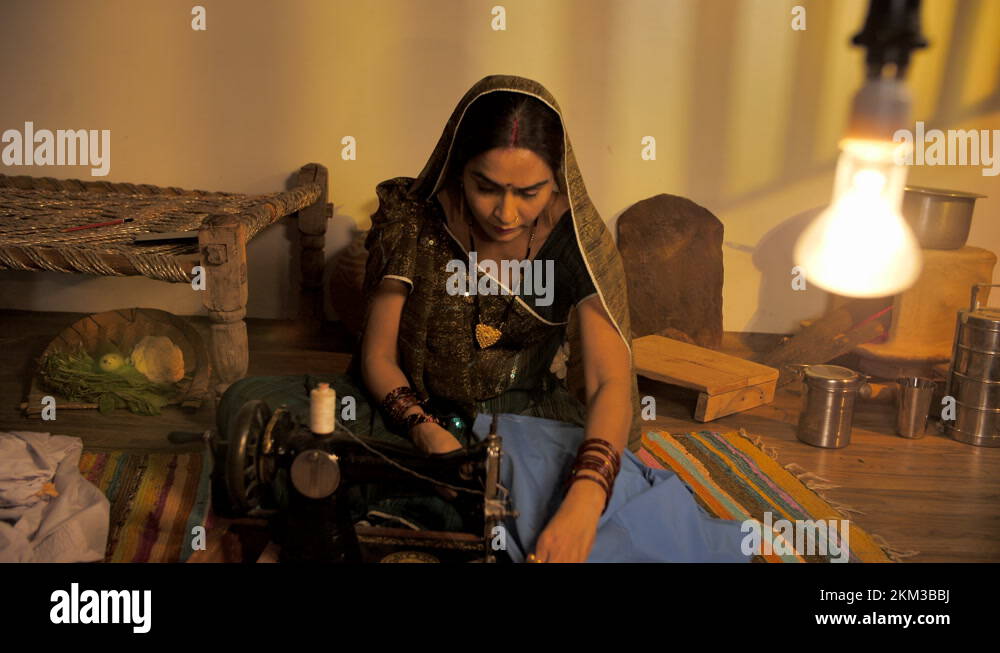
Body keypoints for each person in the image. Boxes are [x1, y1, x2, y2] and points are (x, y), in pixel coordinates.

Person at [217, 74, 749, 563]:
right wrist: (422, 429)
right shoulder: (414, 218)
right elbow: (378, 356)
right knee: (252, 414)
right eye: (486, 186)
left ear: (557, 182)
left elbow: (611, 380)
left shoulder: (575, 244)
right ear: (458, 165)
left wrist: (585, 499)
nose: (506, 213)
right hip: (406, 409)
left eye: (530, 192)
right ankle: (459, 513)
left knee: (585, 492)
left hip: (525, 417)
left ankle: (449, 511)